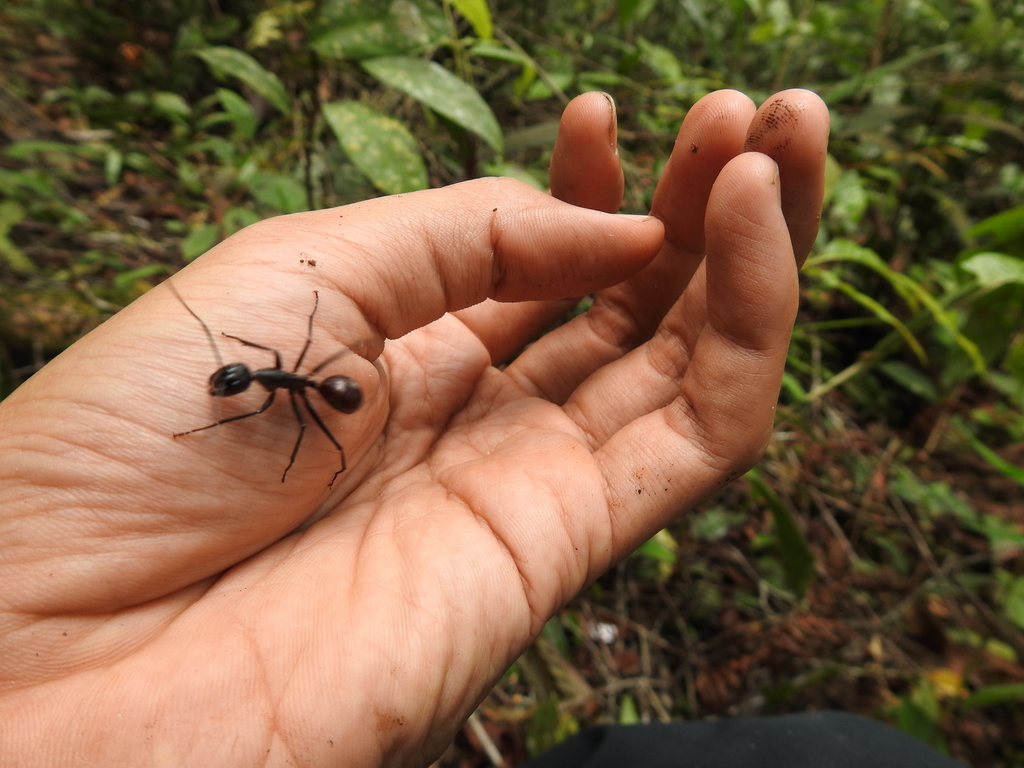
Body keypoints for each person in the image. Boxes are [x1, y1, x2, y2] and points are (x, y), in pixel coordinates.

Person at [0, 88, 958, 767]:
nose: (241, 381)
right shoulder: (274, 379)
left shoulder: (292, 379)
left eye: (236, 372)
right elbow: (261, 374)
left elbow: (271, 375)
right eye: (238, 374)